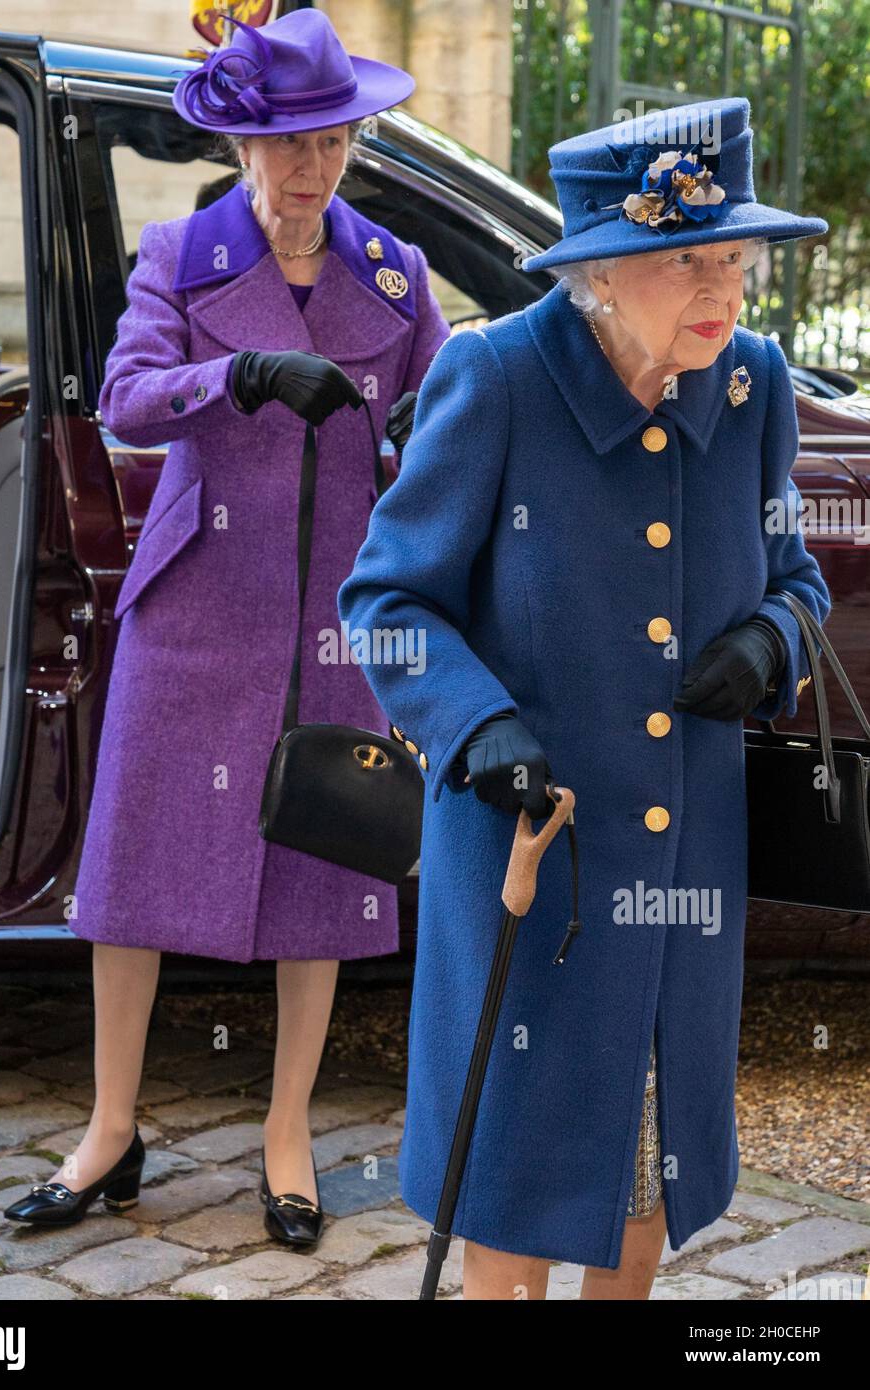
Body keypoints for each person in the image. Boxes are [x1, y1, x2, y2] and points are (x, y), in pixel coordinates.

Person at [338, 95, 831, 1299]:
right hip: (535, 857)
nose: (724, 289)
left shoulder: (753, 385)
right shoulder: (497, 378)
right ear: (601, 276)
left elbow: (799, 576)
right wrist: (482, 727)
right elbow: (386, 602)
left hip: (684, 877)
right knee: (512, 1168)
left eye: (736, 257)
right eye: (685, 261)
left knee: (648, 1171)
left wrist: (771, 642)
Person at [4, 9, 449, 1249]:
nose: (308, 171)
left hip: (330, 622)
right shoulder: (177, 257)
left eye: (332, 140)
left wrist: (417, 452)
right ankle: (109, 1128)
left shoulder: (397, 276)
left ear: (354, 139)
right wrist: (237, 377)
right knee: (133, 879)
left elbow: (454, 410)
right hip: (195, 610)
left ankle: (288, 1134)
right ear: (243, 146)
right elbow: (130, 400)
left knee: (322, 868)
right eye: (286, 145)